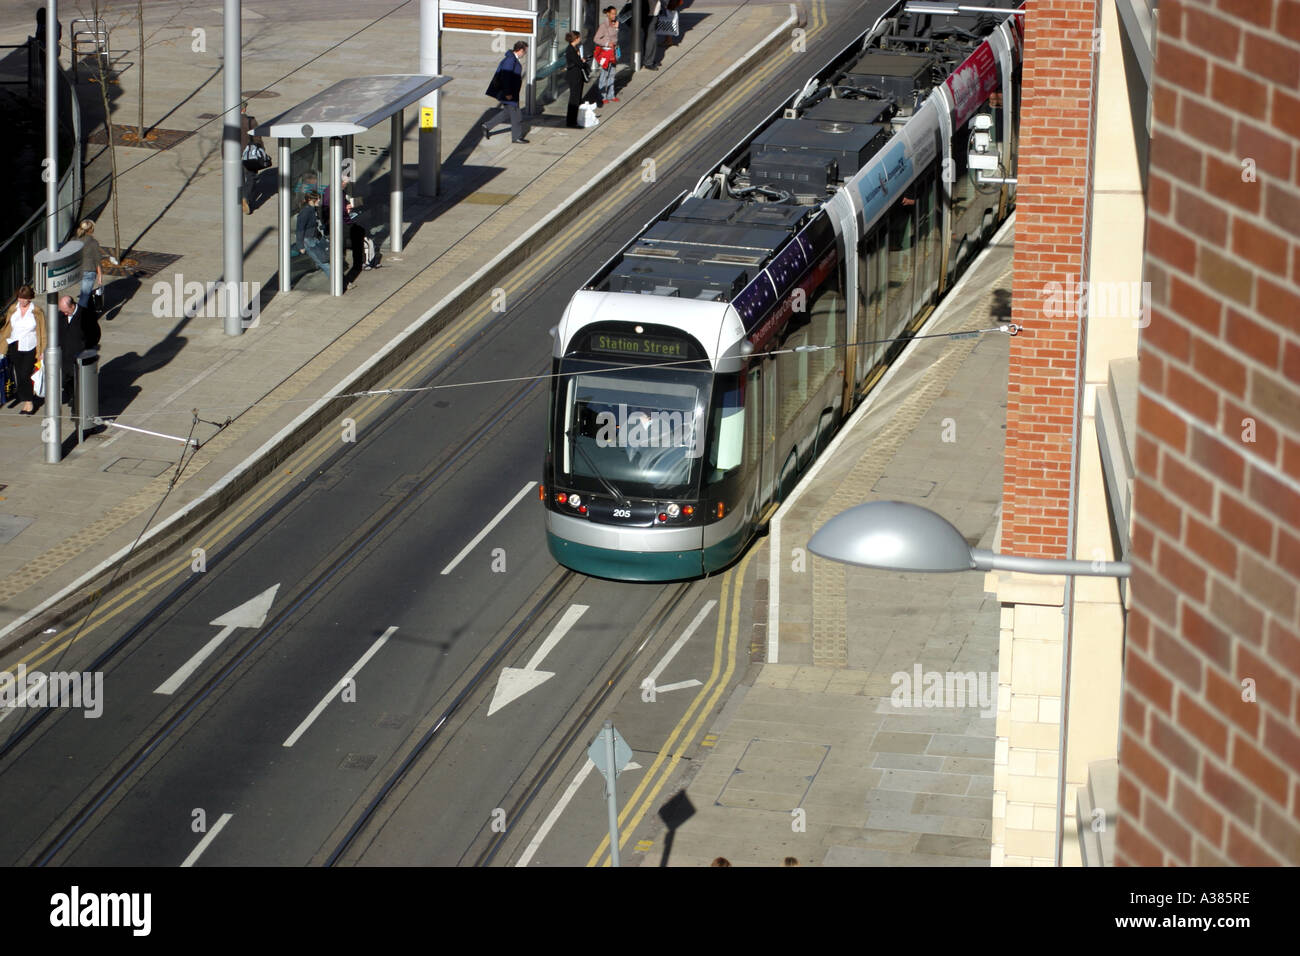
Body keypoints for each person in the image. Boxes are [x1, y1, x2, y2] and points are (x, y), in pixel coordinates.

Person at [2, 285, 46, 415]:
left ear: (30, 298)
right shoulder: (12, 309)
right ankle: (26, 397)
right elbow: (7, 327)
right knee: (19, 374)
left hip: (30, 346)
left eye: (24, 298)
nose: (21, 301)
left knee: (25, 374)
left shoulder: (37, 311)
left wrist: (42, 350)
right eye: (20, 298)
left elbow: (43, 332)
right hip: (15, 345)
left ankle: (29, 402)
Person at [322, 174, 378, 276]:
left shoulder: (332, 190)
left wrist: (348, 205)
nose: (345, 185)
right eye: (344, 183)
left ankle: (361, 263)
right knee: (366, 241)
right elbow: (339, 211)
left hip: (338, 224)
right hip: (340, 225)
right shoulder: (334, 193)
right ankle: (367, 263)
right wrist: (347, 210)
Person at [483, 41, 530, 144]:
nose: (525, 54)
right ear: (521, 50)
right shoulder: (510, 61)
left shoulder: (512, 59)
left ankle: (487, 125)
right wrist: (508, 93)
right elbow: (506, 78)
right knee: (517, 115)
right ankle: (516, 137)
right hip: (509, 93)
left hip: (510, 92)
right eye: (525, 52)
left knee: (507, 112)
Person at [56, 295, 88, 406]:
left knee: (78, 382)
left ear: (72, 306)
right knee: (65, 380)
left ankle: (76, 405)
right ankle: (72, 396)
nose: (64, 313)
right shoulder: (60, 316)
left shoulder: (85, 315)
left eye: (66, 311)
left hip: (78, 355)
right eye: (62, 311)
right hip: (64, 355)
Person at [239, 102, 267, 215]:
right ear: (244, 109)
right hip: (249, 155)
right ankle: (245, 198)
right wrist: (262, 151)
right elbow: (257, 138)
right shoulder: (251, 121)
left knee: (238, 178)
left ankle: (239, 201)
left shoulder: (229, 122)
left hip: (234, 155)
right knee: (251, 177)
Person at [296, 192, 330, 280]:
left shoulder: (313, 209)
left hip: (315, 239)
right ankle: (341, 283)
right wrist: (300, 246)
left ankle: (341, 281)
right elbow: (300, 229)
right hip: (308, 241)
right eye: (317, 199)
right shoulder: (306, 212)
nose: (319, 200)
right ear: (311, 200)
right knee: (323, 262)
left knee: (325, 260)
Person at [74, 219, 104, 318]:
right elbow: (97, 261)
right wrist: (100, 275)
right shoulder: (93, 243)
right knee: (84, 296)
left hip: (77, 271)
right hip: (89, 271)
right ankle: (79, 317)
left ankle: (84, 314)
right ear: (91, 230)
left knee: (84, 293)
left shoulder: (75, 240)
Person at [593, 6, 620, 104]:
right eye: (612, 13)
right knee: (604, 74)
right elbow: (596, 39)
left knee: (612, 74)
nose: (614, 15)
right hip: (606, 53)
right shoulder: (604, 25)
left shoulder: (614, 24)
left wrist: (616, 29)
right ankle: (602, 96)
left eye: (615, 13)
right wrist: (607, 43)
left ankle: (611, 95)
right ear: (608, 13)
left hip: (613, 52)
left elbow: (615, 39)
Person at [564, 31, 591, 128]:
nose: (580, 39)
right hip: (574, 77)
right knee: (574, 99)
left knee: (577, 98)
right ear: (575, 39)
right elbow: (578, 63)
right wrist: (582, 61)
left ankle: (573, 120)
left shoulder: (574, 48)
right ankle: (571, 121)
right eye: (579, 37)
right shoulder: (570, 50)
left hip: (577, 76)